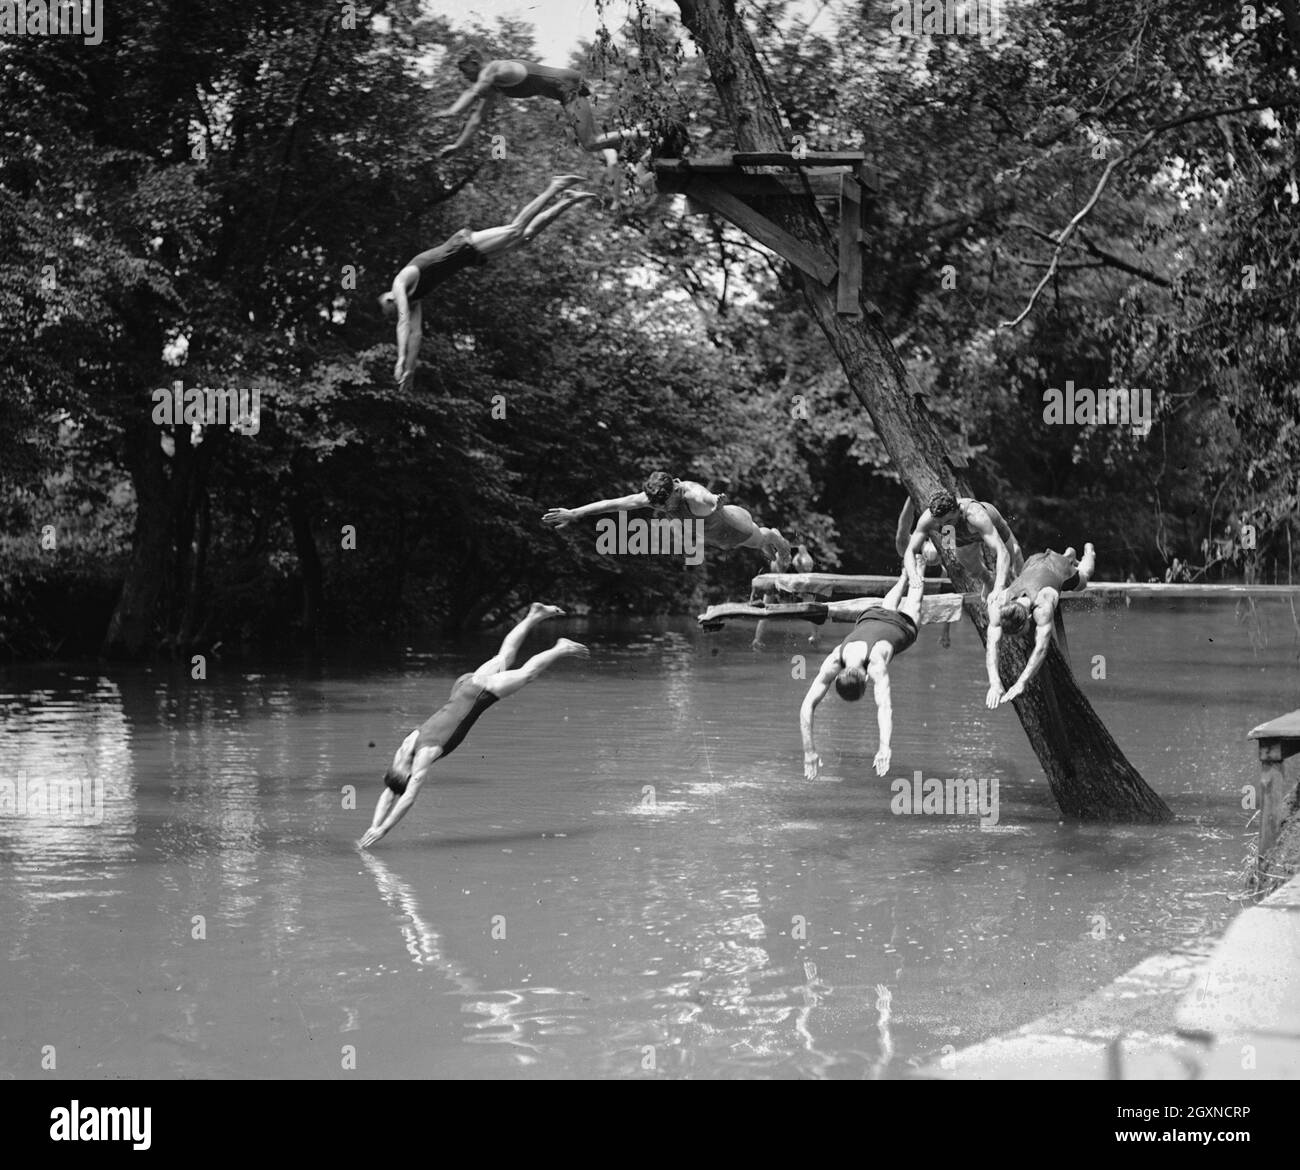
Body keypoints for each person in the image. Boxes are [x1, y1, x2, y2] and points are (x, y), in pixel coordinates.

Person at [359, 603, 588, 848]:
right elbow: (391, 792)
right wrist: (373, 825)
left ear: (404, 773)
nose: (411, 778)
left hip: (480, 693)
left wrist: (384, 829)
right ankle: (534, 616)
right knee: (504, 656)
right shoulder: (403, 752)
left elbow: (408, 798)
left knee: (527, 673)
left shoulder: (423, 755)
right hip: (463, 687)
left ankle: (560, 647)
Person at [379, 176, 595, 391]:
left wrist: (399, 358)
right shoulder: (415, 299)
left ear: (390, 299)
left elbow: (403, 323)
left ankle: (554, 187)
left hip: (461, 245)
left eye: (393, 309)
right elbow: (416, 335)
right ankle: (567, 200)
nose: (398, 308)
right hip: (469, 259)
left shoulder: (400, 282)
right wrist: (410, 369)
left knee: (515, 229)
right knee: (524, 238)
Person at [799, 568, 923, 780]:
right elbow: (806, 706)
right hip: (869, 617)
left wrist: (885, 748)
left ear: (866, 680)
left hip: (903, 627)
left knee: (915, 603)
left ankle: (918, 571)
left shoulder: (875, 665)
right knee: (888, 606)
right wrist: (808, 750)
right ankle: (904, 575)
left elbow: (885, 707)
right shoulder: (835, 659)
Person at [435, 47, 642, 168]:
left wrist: (452, 111)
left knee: (590, 142)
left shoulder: (492, 69)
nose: (465, 77)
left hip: (565, 85)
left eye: (465, 71)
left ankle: (646, 132)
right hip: (565, 90)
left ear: (474, 62)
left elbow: (471, 93)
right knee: (594, 142)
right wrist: (458, 146)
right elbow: (476, 119)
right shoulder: (493, 86)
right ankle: (643, 141)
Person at [542, 471, 792, 567]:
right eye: (658, 505)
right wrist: (575, 513)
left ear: (674, 488)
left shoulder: (691, 495)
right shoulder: (655, 498)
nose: (662, 509)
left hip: (733, 524)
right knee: (757, 549)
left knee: (763, 539)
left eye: (666, 504)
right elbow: (613, 504)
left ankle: (779, 541)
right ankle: (771, 544)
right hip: (716, 537)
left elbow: (704, 496)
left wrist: (716, 501)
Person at [985, 544, 1096, 708]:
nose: (1016, 639)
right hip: (1033, 561)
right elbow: (992, 644)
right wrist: (994, 683)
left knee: (1084, 577)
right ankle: (1068, 554)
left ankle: (1088, 552)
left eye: (1018, 634)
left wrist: (1021, 682)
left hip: (1058, 569)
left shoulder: (1043, 605)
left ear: (1029, 617)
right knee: (1056, 561)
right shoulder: (1000, 604)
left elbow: (1041, 649)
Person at [902, 490, 1023, 598]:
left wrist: (998, 589)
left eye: (949, 520)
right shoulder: (928, 520)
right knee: (970, 568)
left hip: (993, 528)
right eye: (940, 523)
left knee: (1007, 563)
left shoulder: (975, 514)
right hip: (961, 535)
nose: (945, 525)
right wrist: (913, 575)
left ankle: (1016, 552)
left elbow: (1002, 551)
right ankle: (988, 580)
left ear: (957, 509)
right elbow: (910, 551)